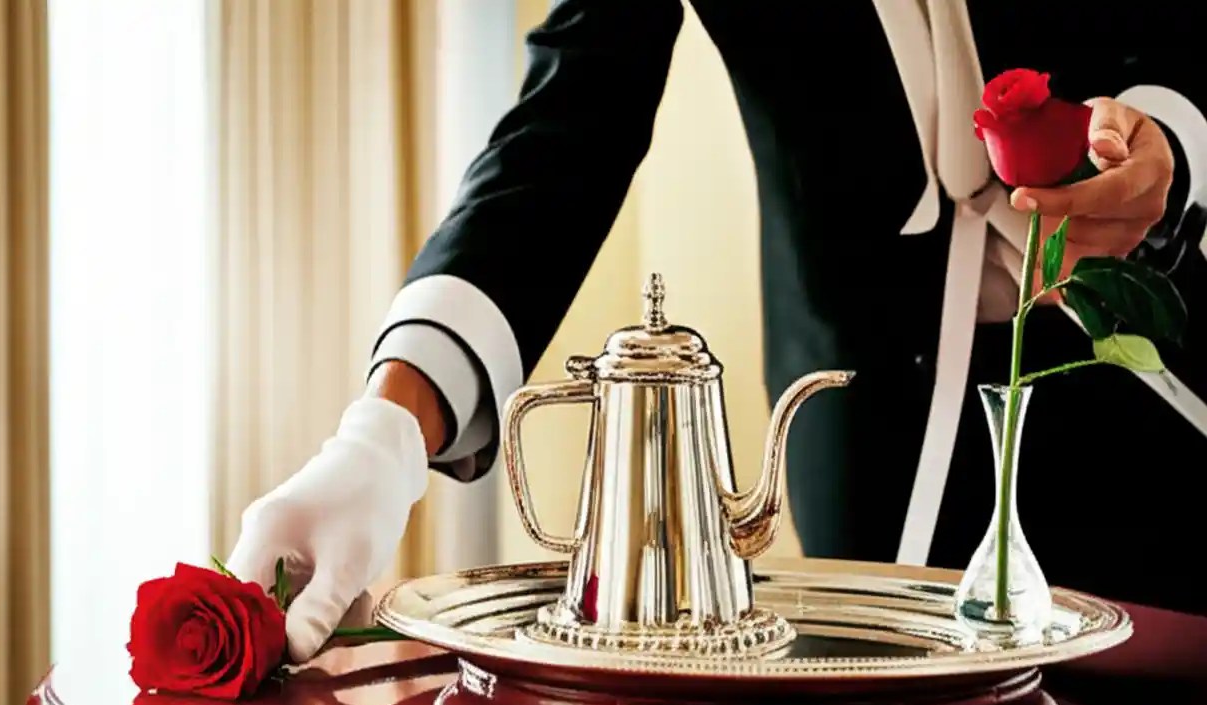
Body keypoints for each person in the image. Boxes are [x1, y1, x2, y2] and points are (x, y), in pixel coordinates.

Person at [226, 1, 1207, 662]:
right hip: (867, 432)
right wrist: (384, 436)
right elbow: (566, 127)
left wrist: (1169, 143)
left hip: (1152, 384)